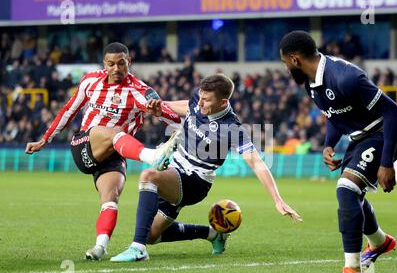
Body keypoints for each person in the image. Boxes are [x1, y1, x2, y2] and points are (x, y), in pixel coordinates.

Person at [109, 73, 303, 262]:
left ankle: (137, 249)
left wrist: (278, 199)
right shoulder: (199, 100)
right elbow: (189, 106)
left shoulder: (232, 128)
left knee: (148, 176)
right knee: (151, 235)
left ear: (223, 102)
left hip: (196, 181)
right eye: (200, 97)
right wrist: (163, 105)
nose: (200, 103)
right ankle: (213, 235)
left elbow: (256, 162)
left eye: (207, 100)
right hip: (174, 169)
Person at [25, 42, 181, 261]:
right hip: (85, 144)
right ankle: (153, 156)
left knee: (110, 197)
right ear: (104, 64)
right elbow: (69, 110)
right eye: (111, 64)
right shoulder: (90, 81)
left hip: (114, 154)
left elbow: (168, 114)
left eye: (121, 64)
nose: (116, 69)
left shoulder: (138, 90)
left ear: (129, 62)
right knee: (112, 131)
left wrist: (161, 113)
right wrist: (44, 139)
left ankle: (100, 247)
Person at [279, 31, 397, 273]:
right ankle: (380, 242)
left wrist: (386, 162)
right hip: (360, 137)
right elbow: (335, 116)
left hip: (385, 132)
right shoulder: (311, 82)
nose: (285, 69)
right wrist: (328, 144)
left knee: (347, 189)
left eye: (284, 63)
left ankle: (353, 272)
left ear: (294, 59)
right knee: (352, 194)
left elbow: (392, 111)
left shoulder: (345, 77)